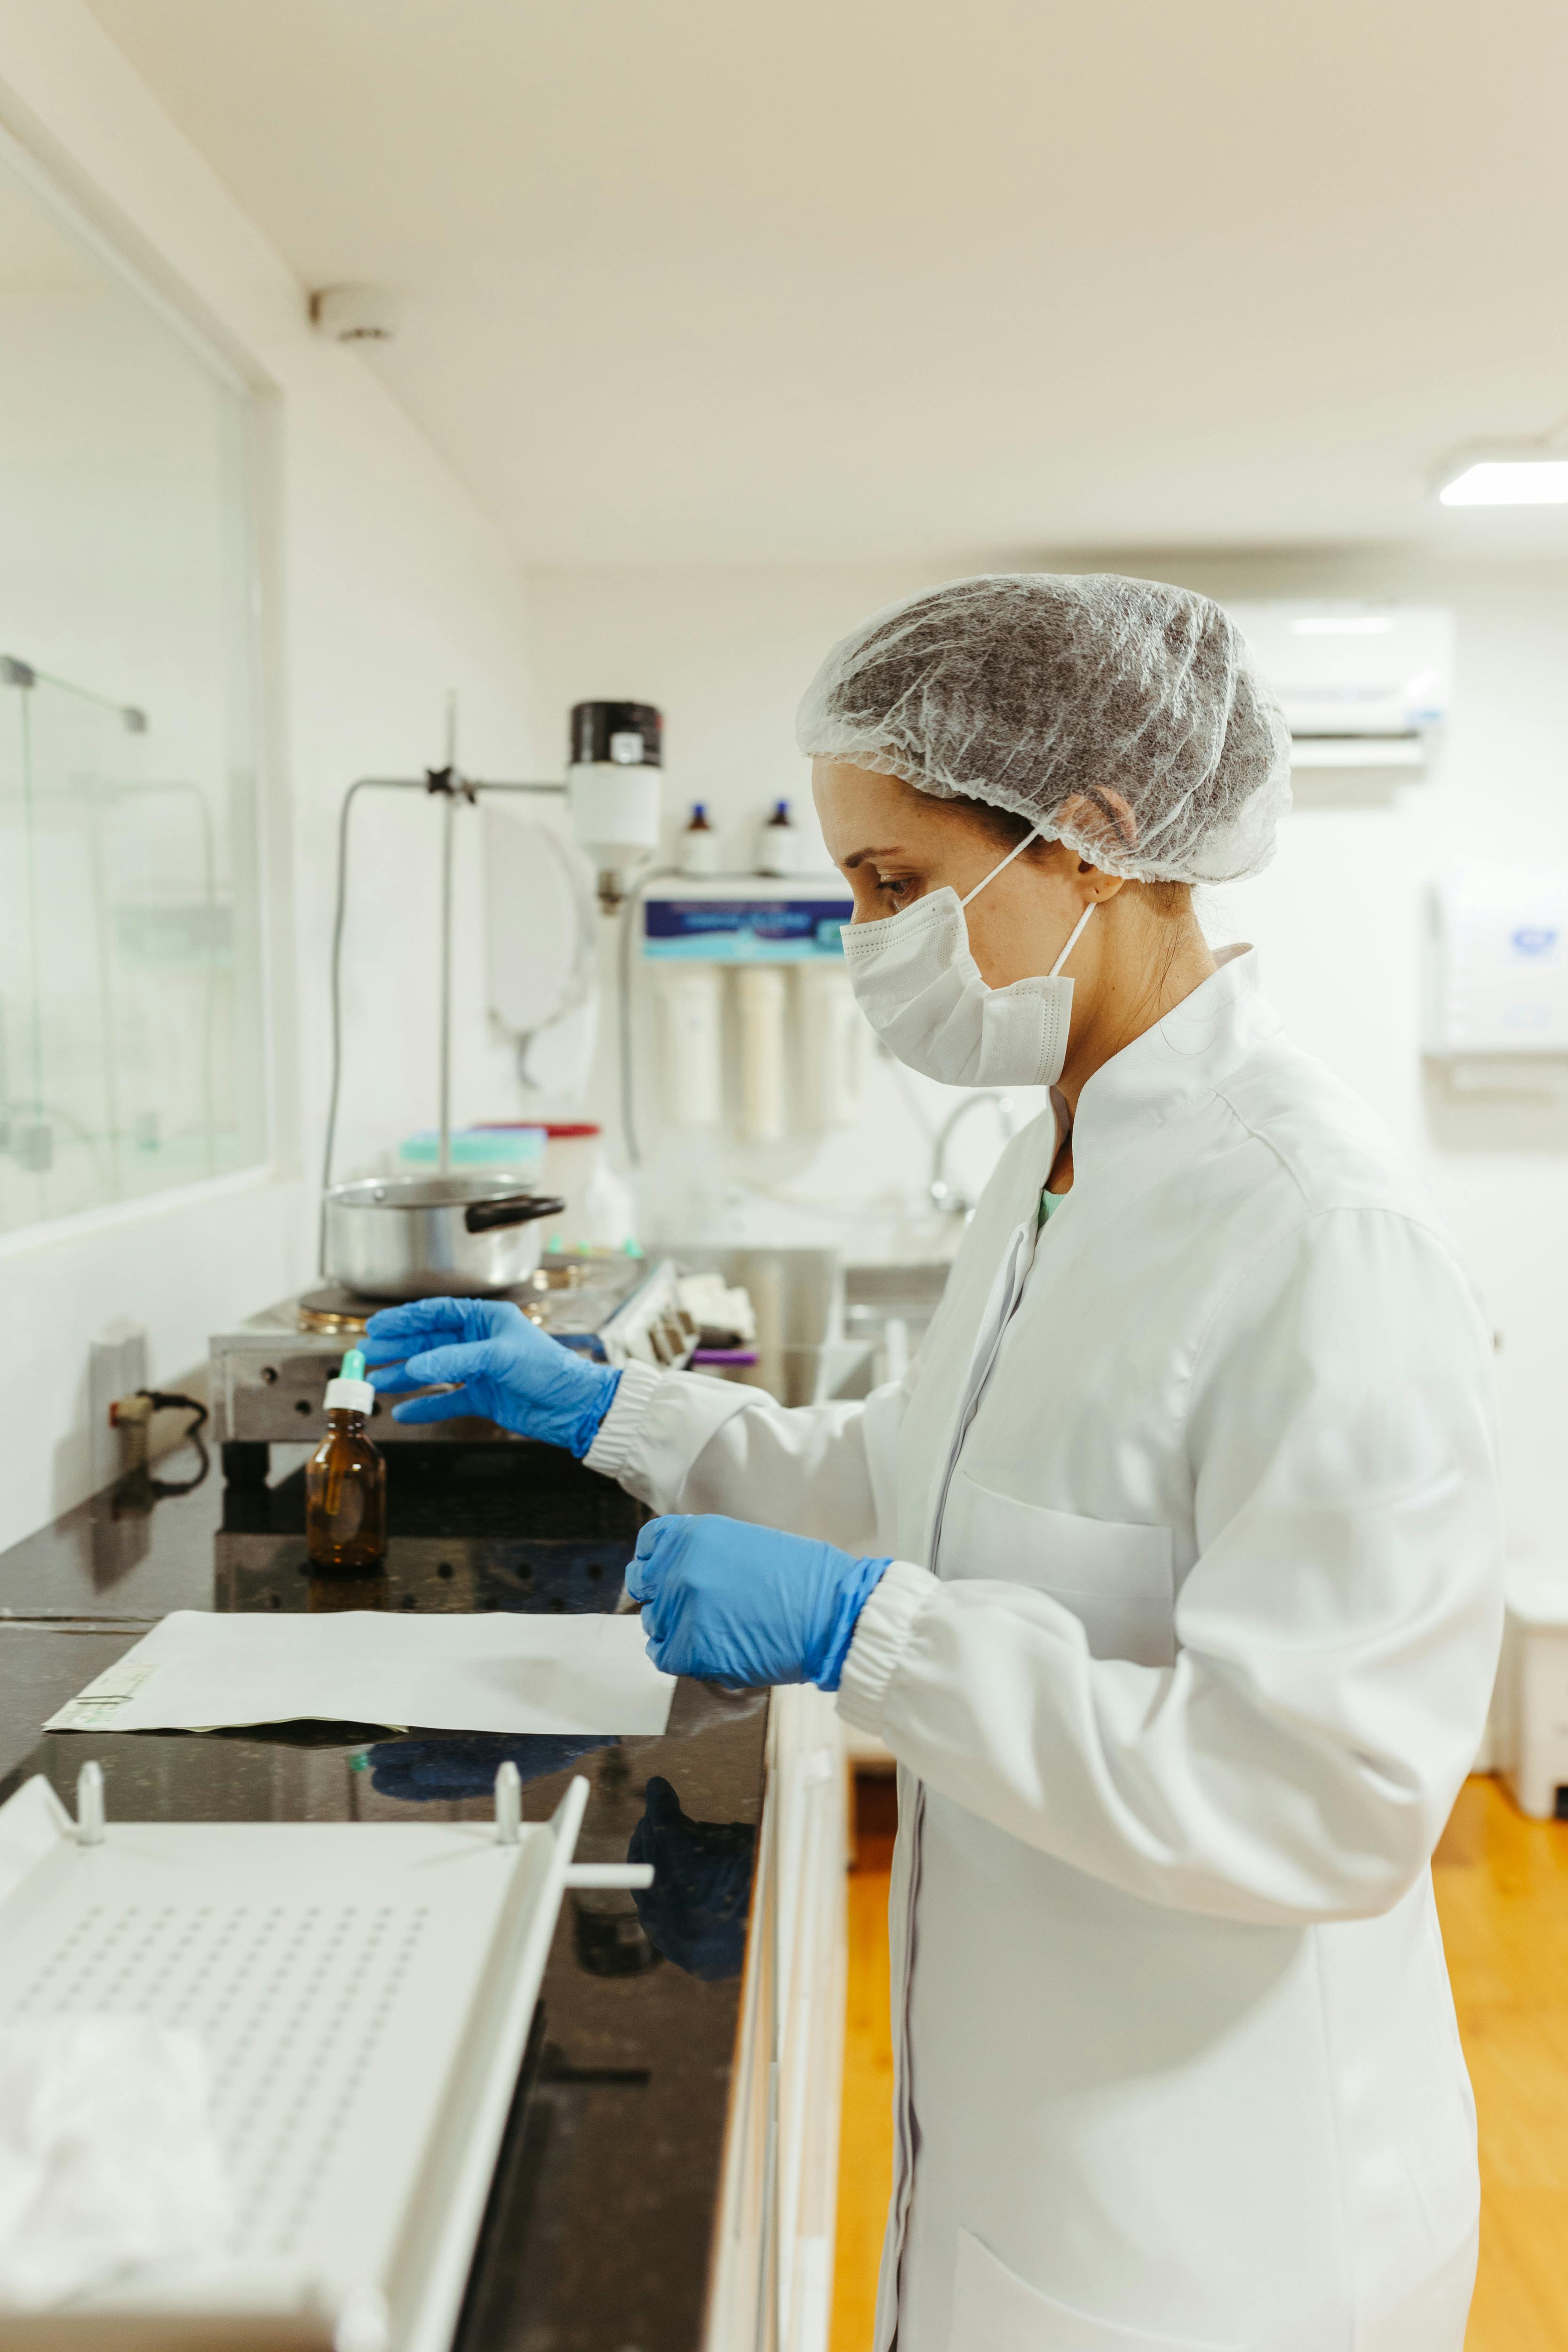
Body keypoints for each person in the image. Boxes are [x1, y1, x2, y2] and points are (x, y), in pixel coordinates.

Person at [364, 575, 1503, 2352]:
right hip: (1034, 2141)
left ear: (1096, 840)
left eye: (894, 883)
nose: (859, 935)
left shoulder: (1312, 1230)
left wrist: (865, 1637)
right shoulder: (1053, 1161)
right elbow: (927, 1476)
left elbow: (1327, 1793)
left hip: (1231, 2230)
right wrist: (619, 1415)